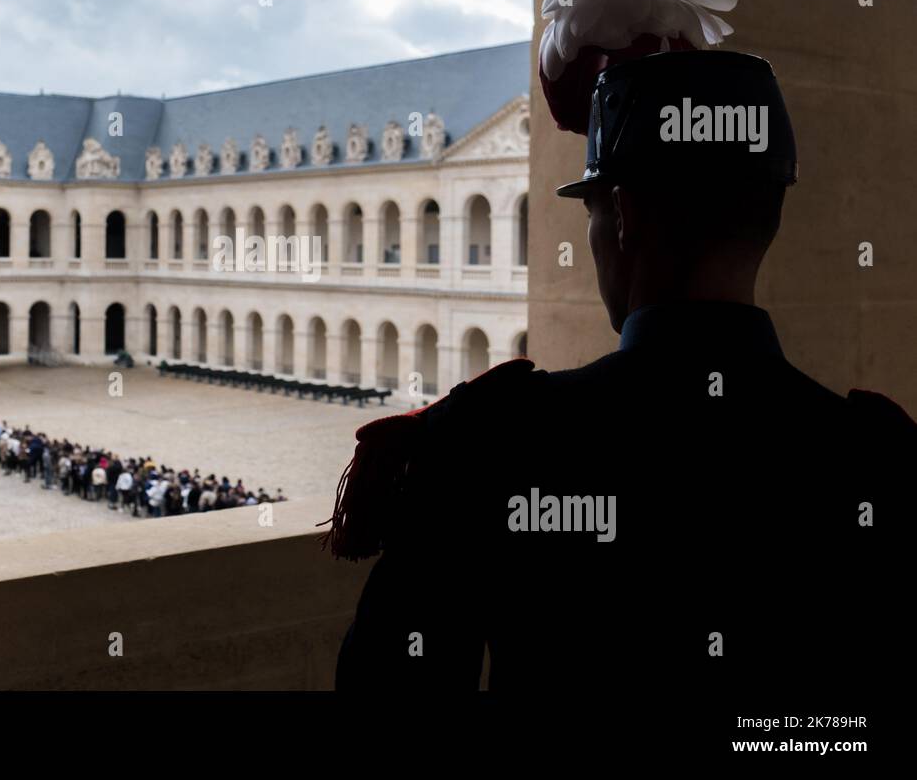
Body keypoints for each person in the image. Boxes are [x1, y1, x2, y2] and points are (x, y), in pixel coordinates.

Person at [329, 49, 914, 698]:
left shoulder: (494, 442)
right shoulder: (879, 458)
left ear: (624, 217)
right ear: (768, 218)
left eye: (593, 214)